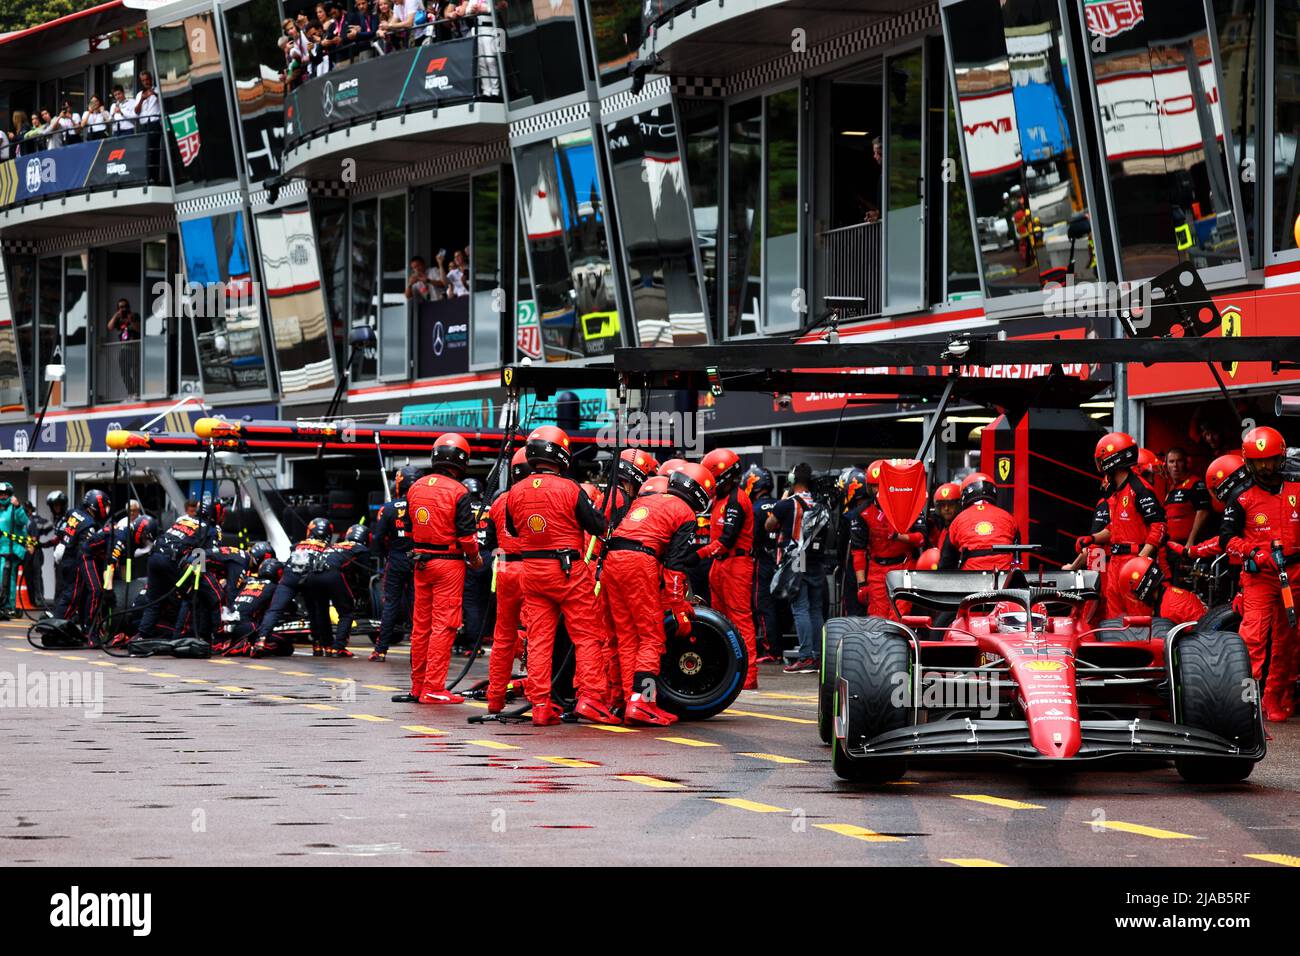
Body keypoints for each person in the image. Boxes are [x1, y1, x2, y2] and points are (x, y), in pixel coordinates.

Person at [503, 425, 614, 725]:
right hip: (569, 571)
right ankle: (590, 697)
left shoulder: (515, 491)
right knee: (587, 635)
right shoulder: (570, 488)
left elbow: (513, 529)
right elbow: (597, 526)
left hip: (533, 571)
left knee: (538, 639)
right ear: (561, 454)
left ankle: (540, 705)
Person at [602, 462, 712, 725]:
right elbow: (675, 563)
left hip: (611, 561)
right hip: (639, 563)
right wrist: (676, 604)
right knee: (652, 636)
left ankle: (628, 699)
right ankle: (643, 702)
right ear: (699, 493)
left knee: (627, 636)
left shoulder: (646, 501)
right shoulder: (685, 512)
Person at [1219, 427, 1300, 722]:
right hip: (1260, 576)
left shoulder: (1297, 486)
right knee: (1252, 638)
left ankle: (1274, 698)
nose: (1265, 468)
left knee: (1289, 639)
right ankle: (1246, 706)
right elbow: (1226, 539)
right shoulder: (1240, 495)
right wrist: (1253, 552)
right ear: (1248, 463)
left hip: (1294, 573)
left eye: (1270, 461)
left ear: (1281, 458)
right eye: (1258, 462)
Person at [399, 433, 481, 705]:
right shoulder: (459, 492)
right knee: (444, 626)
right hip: (449, 564)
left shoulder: (416, 487)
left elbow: (408, 528)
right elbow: (468, 537)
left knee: (420, 626)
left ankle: (418, 686)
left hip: (421, 561)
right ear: (461, 460)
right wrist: (476, 560)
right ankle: (434, 687)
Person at [1069, 432, 1167, 617]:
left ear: (1111, 460)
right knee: (1113, 616)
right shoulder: (1116, 493)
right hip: (1115, 562)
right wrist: (1092, 538)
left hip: (1133, 563)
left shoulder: (1139, 489)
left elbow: (1159, 526)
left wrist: (1140, 560)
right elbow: (1115, 529)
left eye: (1101, 459)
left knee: (1137, 617)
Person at [698, 448, 758, 689]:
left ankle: (749, 674)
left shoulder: (736, 500)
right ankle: (724, 669)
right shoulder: (720, 500)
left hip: (736, 564)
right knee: (719, 619)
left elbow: (728, 539)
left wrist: (698, 554)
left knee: (740, 618)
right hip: (720, 564)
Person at [767, 463, 826, 674]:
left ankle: (806, 656)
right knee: (816, 609)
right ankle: (818, 657)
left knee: (800, 607)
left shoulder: (786, 505)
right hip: (816, 560)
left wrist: (782, 501)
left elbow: (769, 525)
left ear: (792, 481)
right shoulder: (820, 504)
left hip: (797, 558)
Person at [485, 448, 532, 713]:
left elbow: (490, 542)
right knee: (536, 633)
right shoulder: (538, 495)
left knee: (502, 636)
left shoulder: (499, 500)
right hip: (532, 568)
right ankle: (538, 700)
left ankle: (495, 699)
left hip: (503, 570)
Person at [137, 498, 221, 643]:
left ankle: (143, 635)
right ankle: (179, 637)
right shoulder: (209, 530)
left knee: (154, 599)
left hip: (154, 557)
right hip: (171, 560)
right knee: (191, 596)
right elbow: (204, 557)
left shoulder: (183, 520)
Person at [852, 459, 926, 621]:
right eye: (873, 486)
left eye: (880, 485)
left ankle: (900, 646)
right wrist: (861, 584)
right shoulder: (863, 513)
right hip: (876, 571)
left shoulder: (911, 507)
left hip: (903, 567)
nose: (877, 490)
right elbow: (858, 551)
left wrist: (899, 536)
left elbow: (921, 540)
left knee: (899, 617)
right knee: (876, 618)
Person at [253, 518, 334, 654]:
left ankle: (261, 639)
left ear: (310, 531)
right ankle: (324, 646)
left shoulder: (298, 545)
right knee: (319, 611)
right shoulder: (328, 548)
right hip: (312, 577)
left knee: (275, 609)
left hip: (291, 576)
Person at [371, 466, 420, 661]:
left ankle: (381, 650)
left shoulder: (389, 508)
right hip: (418, 559)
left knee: (390, 604)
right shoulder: (425, 507)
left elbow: (377, 538)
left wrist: (387, 555)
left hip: (396, 559)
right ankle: (418, 651)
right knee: (418, 605)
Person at [52, 490, 112, 638]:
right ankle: (54, 628)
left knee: (72, 595)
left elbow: (63, 532)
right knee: (72, 598)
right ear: (95, 505)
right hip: (75, 562)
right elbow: (87, 548)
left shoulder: (73, 512)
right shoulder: (89, 524)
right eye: (104, 505)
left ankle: (59, 627)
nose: (106, 508)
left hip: (65, 558)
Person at [306, 524, 371, 657]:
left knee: (321, 611)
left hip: (312, 576)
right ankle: (338, 647)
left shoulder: (335, 545)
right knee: (347, 612)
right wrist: (362, 593)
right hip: (332, 575)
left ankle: (326, 645)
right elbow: (364, 574)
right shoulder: (361, 549)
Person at [938, 473, 1019, 571]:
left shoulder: (958, 520)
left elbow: (946, 562)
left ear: (965, 495)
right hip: (1004, 578)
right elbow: (1017, 555)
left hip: (971, 579)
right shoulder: (1009, 518)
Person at [742, 465, 781, 661]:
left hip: (763, 561)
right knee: (779, 606)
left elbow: (752, 537)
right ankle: (777, 648)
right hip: (782, 561)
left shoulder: (753, 509)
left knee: (762, 604)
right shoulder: (782, 504)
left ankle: (771, 650)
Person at [1163, 446, 1212, 583]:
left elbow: (1203, 511)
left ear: (1186, 463)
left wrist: (1190, 542)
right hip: (1172, 549)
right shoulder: (1172, 490)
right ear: (1166, 465)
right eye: (1171, 462)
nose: (1175, 466)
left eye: (1179, 461)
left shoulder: (1196, 484)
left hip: (1188, 549)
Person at [458, 476, 492, 655]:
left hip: (470, 556)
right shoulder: (490, 508)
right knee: (485, 600)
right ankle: (484, 636)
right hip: (489, 557)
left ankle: (473, 645)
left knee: (470, 602)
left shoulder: (462, 507)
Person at [1118, 556, 1206, 625]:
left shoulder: (1165, 612)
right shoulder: (1171, 591)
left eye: (1135, 593)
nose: (1136, 597)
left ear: (1143, 588)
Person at [836, 467, 870, 618]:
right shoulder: (878, 509)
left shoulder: (849, 517)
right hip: (878, 569)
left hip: (855, 570)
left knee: (853, 612)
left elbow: (841, 550)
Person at [0, 482, 30, 619]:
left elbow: (24, 521)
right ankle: (4, 605)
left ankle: (9, 607)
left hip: (12, 551)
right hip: (2, 550)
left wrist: (18, 506)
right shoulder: (1, 510)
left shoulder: (14, 508)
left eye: (5, 494)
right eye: (0, 494)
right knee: (3, 578)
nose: (2, 496)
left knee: (7, 578)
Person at [928, 481, 961, 550]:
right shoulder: (945, 528)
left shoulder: (961, 529)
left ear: (958, 506)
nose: (946, 508)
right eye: (943, 505)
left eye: (951, 504)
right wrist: (932, 531)